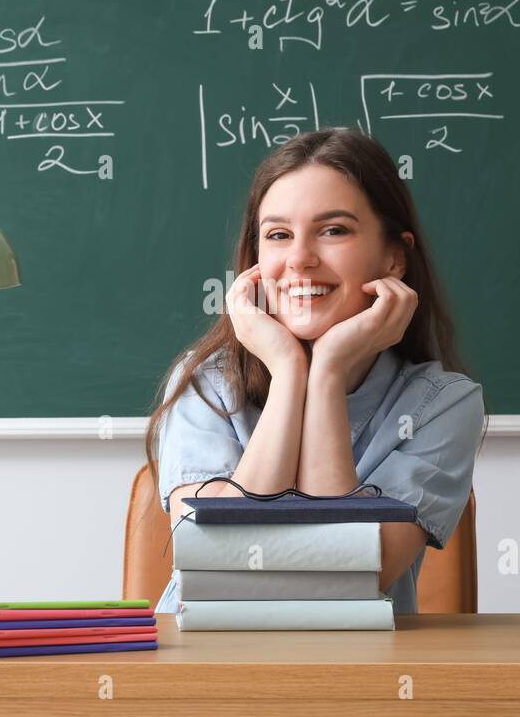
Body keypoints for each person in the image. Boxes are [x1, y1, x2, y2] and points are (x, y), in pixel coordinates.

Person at [144, 127, 486, 615]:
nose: (300, 259)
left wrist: (325, 373)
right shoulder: (205, 384)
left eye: (333, 230)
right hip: (201, 672)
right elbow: (224, 565)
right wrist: (287, 372)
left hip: (356, 677)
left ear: (394, 257)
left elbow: (355, 577)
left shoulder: (442, 404)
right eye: (279, 235)